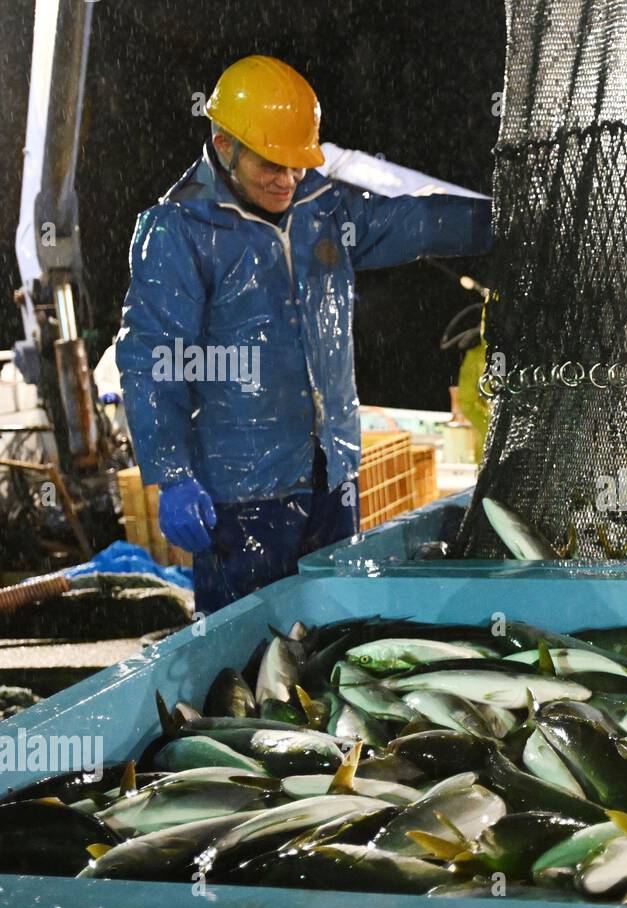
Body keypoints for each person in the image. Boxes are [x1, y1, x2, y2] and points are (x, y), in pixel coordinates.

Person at [116, 56, 490, 613]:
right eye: (271, 163)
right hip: (242, 495)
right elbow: (155, 361)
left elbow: (414, 222)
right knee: (251, 652)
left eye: (296, 164)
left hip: (332, 476)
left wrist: (511, 217)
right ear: (223, 145)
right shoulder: (178, 231)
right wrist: (171, 475)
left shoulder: (324, 208)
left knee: (331, 636)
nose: (286, 180)